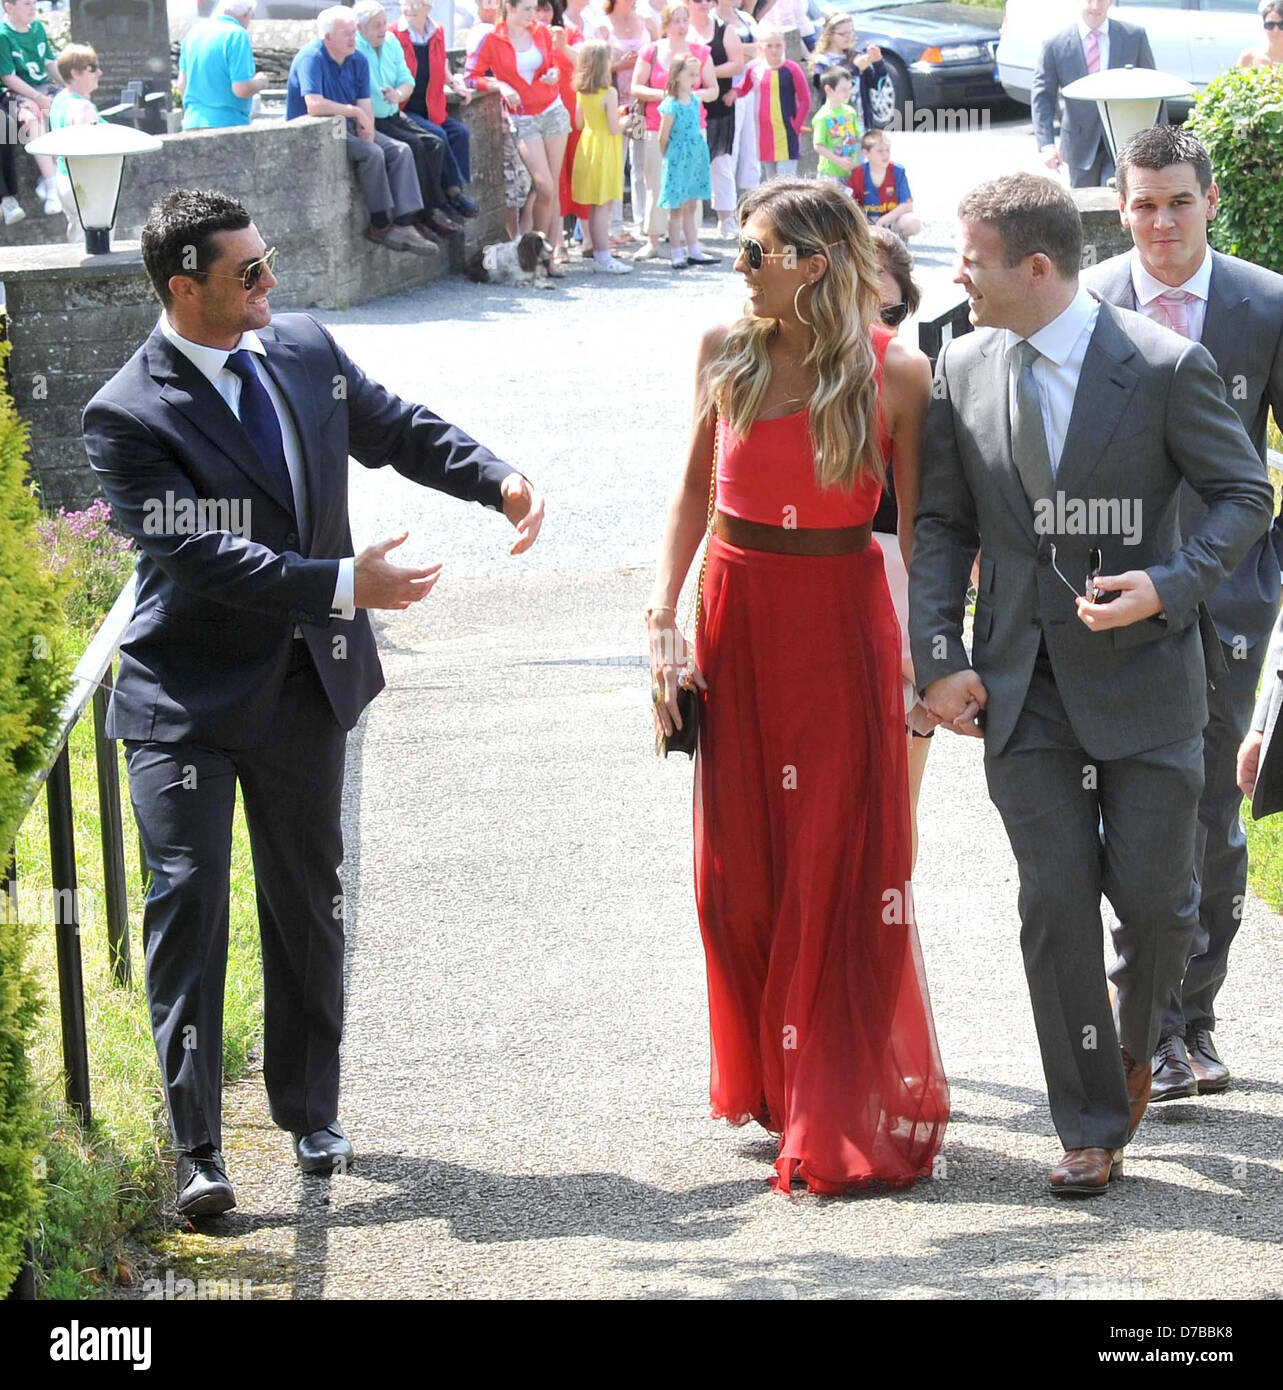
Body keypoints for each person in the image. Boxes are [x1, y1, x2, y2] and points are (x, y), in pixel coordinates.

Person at [81, 188, 545, 1217]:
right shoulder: (127, 411)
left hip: (303, 685)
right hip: (185, 702)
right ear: (183, 286)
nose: (271, 283)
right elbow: (198, 555)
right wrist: (342, 583)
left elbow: (392, 428)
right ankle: (198, 1142)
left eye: (268, 261)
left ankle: (311, 1110)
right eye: (248, 272)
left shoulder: (301, 349)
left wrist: (496, 478)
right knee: (189, 905)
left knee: (308, 902)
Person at [909, 171, 1273, 1196]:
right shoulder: (959, 365)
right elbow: (942, 523)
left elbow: (1241, 492)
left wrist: (1164, 584)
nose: (957, 279)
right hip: (1021, 690)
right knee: (1053, 901)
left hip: (1151, 682)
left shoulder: (1162, 365)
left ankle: (1132, 1042)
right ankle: (1088, 1117)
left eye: (971, 260)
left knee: (1158, 906)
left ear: (1034, 267)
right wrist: (939, 655)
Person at [647, 179, 947, 1194]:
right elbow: (691, 491)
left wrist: (933, 650)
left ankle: (826, 1093)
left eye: (752, 253)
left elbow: (921, 529)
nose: (737, 269)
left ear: (808, 265)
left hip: (837, 617)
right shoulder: (720, 351)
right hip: (734, 615)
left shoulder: (894, 375)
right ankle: (776, 1073)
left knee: (833, 860)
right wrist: (661, 621)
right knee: (732, 876)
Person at [1086, 126, 1283, 1104]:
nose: (1159, 221)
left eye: (1176, 201)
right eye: (1141, 204)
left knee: (1210, 804)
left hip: (1230, 592)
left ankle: (1186, 1024)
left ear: (1207, 199)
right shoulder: (1083, 303)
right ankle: (1145, 1024)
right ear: (1119, 207)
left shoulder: (1263, 304)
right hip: (1116, 601)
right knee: (1135, 804)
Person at [868, 224, 935, 870]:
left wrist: (927, 657)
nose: (874, 324)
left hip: (903, 618)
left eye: (888, 311)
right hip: (818, 617)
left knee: (893, 816)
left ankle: (882, 956)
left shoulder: (914, 382)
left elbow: (931, 532)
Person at [286, 8, 436, 256]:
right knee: (372, 153)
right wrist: (355, 114)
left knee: (400, 150)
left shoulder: (357, 59)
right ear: (327, 38)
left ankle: (404, 222)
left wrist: (367, 124)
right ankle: (380, 224)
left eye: (354, 33)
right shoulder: (311, 57)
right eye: (346, 34)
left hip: (349, 123)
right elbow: (314, 105)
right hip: (320, 130)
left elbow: (364, 101)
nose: (353, 38)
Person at [466, 0, 573, 273]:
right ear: (509, 9)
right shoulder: (492, 38)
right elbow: (471, 76)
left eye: (534, 8)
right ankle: (535, 253)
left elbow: (553, 66)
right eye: (526, 9)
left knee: (550, 189)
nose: (533, 14)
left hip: (553, 111)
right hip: (524, 118)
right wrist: (500, 84)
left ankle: (543, 257)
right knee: (543, 185)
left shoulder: (539, 31)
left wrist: (552, 74)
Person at [354, 1, 463, 244]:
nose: (383, 29)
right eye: (376, 26)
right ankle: (422, 213)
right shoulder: (358, 49)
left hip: (393, 110)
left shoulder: (391, 42)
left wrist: (399, 94)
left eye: (384, 23)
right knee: (412, 146)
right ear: (360, 29)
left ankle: (434, 206)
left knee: (434, 143)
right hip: (375, 117)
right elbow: (368, 93)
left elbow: (406, 79)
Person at [1032, 0, 1156, 190]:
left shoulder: (1134, 37)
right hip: (1079, 144)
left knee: (1119, 200)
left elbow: (1152, 89)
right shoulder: (1055, 44)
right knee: (1085, 207)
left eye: (1102, 0)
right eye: (1089, 0)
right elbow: (1043, 96)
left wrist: (1155, 139)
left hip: (1122, 137)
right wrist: (1046, 144)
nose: (1095, 6)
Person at [628, 3, 716, 261]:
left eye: (684, 20)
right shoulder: (651, 51)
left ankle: (692, 242)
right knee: (656, 183)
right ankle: (653, 238)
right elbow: (636, 87)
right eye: (676, 21)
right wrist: (669, 96)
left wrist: (690, 96)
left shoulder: (701, 52)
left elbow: (713, 89)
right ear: (665, 25)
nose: (682, 26)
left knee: (691, 186)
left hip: (692, 129)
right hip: (658, 126)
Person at [393, 0, 480, 222]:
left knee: (460, 134)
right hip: (406, 105)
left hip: (432, 104)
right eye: (406, 4)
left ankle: (455, 193)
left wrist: (454, 84)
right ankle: (449, 196)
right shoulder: (393, 33)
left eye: (416, 4)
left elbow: (440, 62)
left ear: (427, 8)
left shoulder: (437, 31)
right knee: (437, 136)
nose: (409, 9)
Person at [571, 39, 632, 272]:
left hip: (588, 144)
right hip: (606, 148)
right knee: (603, 205)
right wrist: (626, 120)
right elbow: (615, 128)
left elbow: (578, 122)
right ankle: (603, 256)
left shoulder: (582, 92)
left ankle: (600, 254)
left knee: (596, 205)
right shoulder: (609, 92)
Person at [688, 0, 743, 242]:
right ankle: (687, 224)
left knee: (721, 163)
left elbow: (737, 64)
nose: (704, 3)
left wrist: (706, 71)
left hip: (720, 105)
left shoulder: (724, 29)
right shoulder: (681, 27)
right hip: (687, 108)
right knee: (686, 164)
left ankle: (726, 218)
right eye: (698, 0)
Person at [603, 0, 657, 240]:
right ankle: (615, 224)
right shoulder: (604, 26)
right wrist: (619, 65)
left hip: (641, 103)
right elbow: (594, 68)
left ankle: (643, 220)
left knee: (641, 164)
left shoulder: (646, 22)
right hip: (614, 104)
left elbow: (660, 57)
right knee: (616, 163)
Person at [0, 0, 59, 215]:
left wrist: (70, 86)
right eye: (26, 3)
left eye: (33, 3)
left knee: (68, 110)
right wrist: (37, 97)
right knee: (31, 117)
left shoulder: (37, 28)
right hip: (17, 93)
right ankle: (51, 183)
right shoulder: (3, 35)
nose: (33, 7)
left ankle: (58, 174)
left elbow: (49, 62)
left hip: (42, 87)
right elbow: (8, 77)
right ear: (9, 7)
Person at [658, 54, 715, 269]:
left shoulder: (694, 100)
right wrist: (668, 156)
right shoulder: (671, 105)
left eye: (695, 74)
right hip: (678, 158)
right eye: (689, 73)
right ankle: (676, 251)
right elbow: (663, 137)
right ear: (676, 75)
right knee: (676, 207)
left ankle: (693, 248)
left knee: (691, 204)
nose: (694, 78)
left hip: (695, 156)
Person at [177, 0, 269, 131]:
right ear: (246, 13)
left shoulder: (193, 33)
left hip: (192, 122)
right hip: (228, 123)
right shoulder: (237, 35)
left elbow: (182, 85)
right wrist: (261, 82)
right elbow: (241, 89)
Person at [736, 27, 809, 180]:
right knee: (770, 179)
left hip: (786, 131)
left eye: (778, 45)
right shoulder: (755, 69)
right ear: (761, 47)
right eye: (769, 46)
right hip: (765, 132)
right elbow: (743, 88)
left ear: (784, 45)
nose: (774, 50)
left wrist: (796, 126)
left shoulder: (791, 68)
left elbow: (805, 99)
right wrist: (729, 93)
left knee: (786, 180)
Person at [48, 43, 102, 244]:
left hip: (64, 180)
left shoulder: (59, 100)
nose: (99, 72)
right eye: (92, 68)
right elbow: (89, 150)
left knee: (76, 242)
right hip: (85, 186)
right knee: (93, 250)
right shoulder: (82, 108)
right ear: (75, 73)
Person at [809, 10, 883, 134]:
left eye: (850, 32)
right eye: (843, 34)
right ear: (830, 35)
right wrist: (855, 69)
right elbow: (830, 91)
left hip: (861, 126)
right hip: (836, 128)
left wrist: (878, 62)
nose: (848, 37)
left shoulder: (856, 56)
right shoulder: (822, 62)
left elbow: (878, 85)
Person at [849, 130, 921, 239]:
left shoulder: (897, 171)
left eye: (887, 150)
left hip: (890, 220)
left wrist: (883, 220)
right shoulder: (858, 173)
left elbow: (907, 205)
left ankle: (898, 241)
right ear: (866, 153)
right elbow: (850, 203)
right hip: (867, 221)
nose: (885, 154)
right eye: (880, 151)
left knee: (914, 223)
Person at [811, 66, 859, 193]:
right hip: (830, 173)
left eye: (850, 88)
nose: (848, 93)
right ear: (828, 89)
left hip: (850, 171)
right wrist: (839, 161)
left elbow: (857, 138)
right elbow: (818, 146)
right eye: (843, 89)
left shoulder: (850, 112)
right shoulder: (823, 116)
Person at [1238, 0, 1283, 67]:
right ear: (1264, 27)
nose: (1276, 30)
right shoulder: (1249, 58)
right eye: (1270, 25)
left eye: (1281, 25)